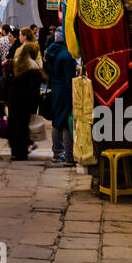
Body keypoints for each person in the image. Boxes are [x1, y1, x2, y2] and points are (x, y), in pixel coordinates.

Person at [6, 40, 44, 161]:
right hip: (26, 102)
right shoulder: (33, 67)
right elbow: (34, 90)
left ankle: (14, 151)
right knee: (23, 126)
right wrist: (35, 106)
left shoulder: (15, 64)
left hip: (13, 100)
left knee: (14, 125)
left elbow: (7, 82)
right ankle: (21, 152)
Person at [44, 28, 77, 165]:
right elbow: (70, 78)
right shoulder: (66, 55)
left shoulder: (51, 52)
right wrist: (73, 95)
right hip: (64, 90)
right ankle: (68, 156)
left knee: (57, 122)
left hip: (55, 88)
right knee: (66, 123)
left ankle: (56, 152)